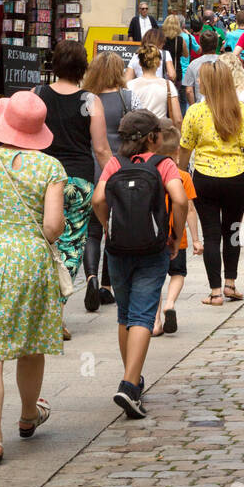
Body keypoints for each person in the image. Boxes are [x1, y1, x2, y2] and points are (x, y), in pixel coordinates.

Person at [0, 92, 66, 466]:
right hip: (31, 259)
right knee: (31, 343)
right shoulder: (50, 168)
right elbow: (52, 227)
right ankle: (28, 415)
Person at [93, 111, 188, 418]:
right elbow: (181, 199)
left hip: (118, 248)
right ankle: (130, 384)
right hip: (152, 247)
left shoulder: (114, 164)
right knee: (144, 315)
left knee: (125, 314)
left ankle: (131, 377)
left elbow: (97, 200)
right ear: (153, 138)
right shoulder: (164, 164)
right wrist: (175, 234)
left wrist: (108, 227)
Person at [38, 41, 110, 337]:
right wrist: (109, 180)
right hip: (78, 181)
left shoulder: (37, 94)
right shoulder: (90, 100)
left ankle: (37, 312)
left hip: (42, 178)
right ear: (83, 67)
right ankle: (56, 314)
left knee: (42, 243)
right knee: (69, 247)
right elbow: (101, 148)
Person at [179, 59, 244, 305]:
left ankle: (215, 292)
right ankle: (230, 283)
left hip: (205, 178)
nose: (199, 82)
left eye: (201, 79)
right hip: (236, 178)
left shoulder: (195, 112)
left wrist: (180, 171)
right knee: (233, 229)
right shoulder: (239, 109)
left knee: (211, 234)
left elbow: (185, 147)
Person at [80, 50, 136, 311]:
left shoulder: (85, 99)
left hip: (89, 168)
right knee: (111, 229)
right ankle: (106, 285)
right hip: (117, 168)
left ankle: (89, 276)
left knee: (91, 230)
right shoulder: (127, 97)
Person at [152, 125, 201, 336]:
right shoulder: (183, 177)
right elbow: (189, 209)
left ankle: (155, 323)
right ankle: (170, 304)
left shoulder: (150, 174)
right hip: (176, 236)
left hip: (154, 236)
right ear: (177, 152)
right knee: (178, 273)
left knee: (154, 280)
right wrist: (196, 239)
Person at [128, 41, 182, 126]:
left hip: (138, 132)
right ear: (158, 63)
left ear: (139, 63)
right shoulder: (168, 85)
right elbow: (178, 119)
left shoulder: (129, 86)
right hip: (160, 132)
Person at [183, 28, 223, 104]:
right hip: (221, 106)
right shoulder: (224, 62)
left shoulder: (193, 64)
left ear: (200, 44)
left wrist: (193, 107)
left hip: (200, 106)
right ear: (216, 44)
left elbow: (189, 91)